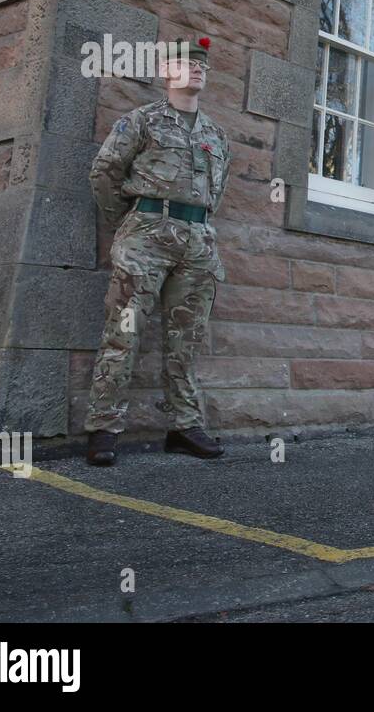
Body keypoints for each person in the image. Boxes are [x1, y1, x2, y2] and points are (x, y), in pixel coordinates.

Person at [84, 37, 231, 466]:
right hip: (144, 237)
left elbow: (216, 191)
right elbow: (106, 173)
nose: (198, 70)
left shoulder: (216, 134)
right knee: (123, 331)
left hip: (198, 242)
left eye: (203, 65)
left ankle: (184, 426)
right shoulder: (141, 121)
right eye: (187, 63)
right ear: (168, 72)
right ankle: (104, 426)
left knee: (186, 339)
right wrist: (129, 224)